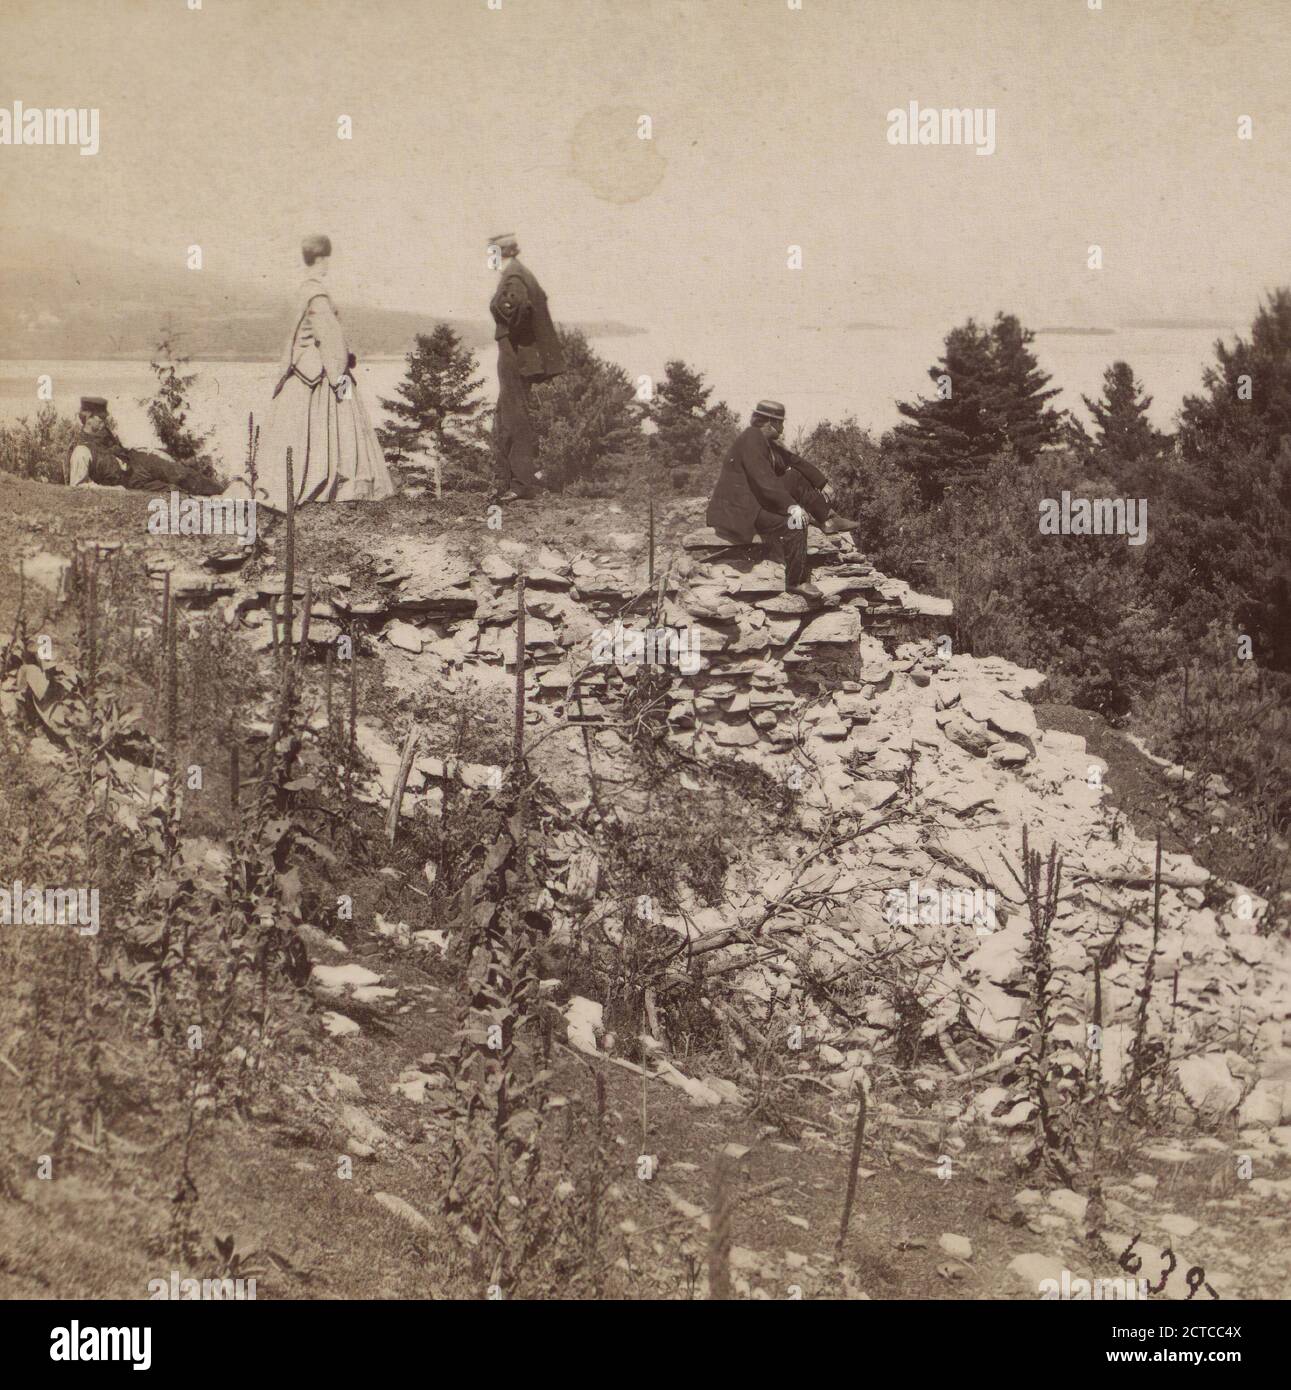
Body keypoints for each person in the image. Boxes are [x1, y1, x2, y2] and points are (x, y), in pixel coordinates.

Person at [247, 234, 394, 512]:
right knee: (346, 423)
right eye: (327, 259)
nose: (328, 264)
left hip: (300, 372)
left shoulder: (302, 291)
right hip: (318, 373)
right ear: (323, 259)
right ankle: (344, 485)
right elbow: (331, 340)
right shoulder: (318, 295)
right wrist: (341, 379)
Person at [705, 400, 860, 591]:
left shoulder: (764, 441)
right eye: (781, 423)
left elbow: (794, 461)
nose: (783, 427)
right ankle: (796, 582)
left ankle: (827, 519)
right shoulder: (751, 440)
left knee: (794, 475)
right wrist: (792, 507)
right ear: (770, 422)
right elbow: (764, 482)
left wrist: (822, 482)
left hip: (753, 501)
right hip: (741, 511)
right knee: (795, 523)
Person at [488, 232, 565, 502]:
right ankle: (516, 481)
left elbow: (517, 309)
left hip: (515, 354)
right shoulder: (521, 273)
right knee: (511, 414)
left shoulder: (514, 276)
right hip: (520, 354)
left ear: (501, 253)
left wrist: (514, 335)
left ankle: (520, 485)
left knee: (513, 417)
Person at [67, 396, 222, 494]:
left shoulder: (104, 433)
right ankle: (214, 499)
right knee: (172, 491)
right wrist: (112, 490)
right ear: (88, 418)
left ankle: (222, 492)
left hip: (136, 462)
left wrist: (146, 452)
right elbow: (78, 486)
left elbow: (121, 448)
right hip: (129, 482)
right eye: (100, 418)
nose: (104, 421)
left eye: (104, 418)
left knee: (177, 472)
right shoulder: (82, 451)